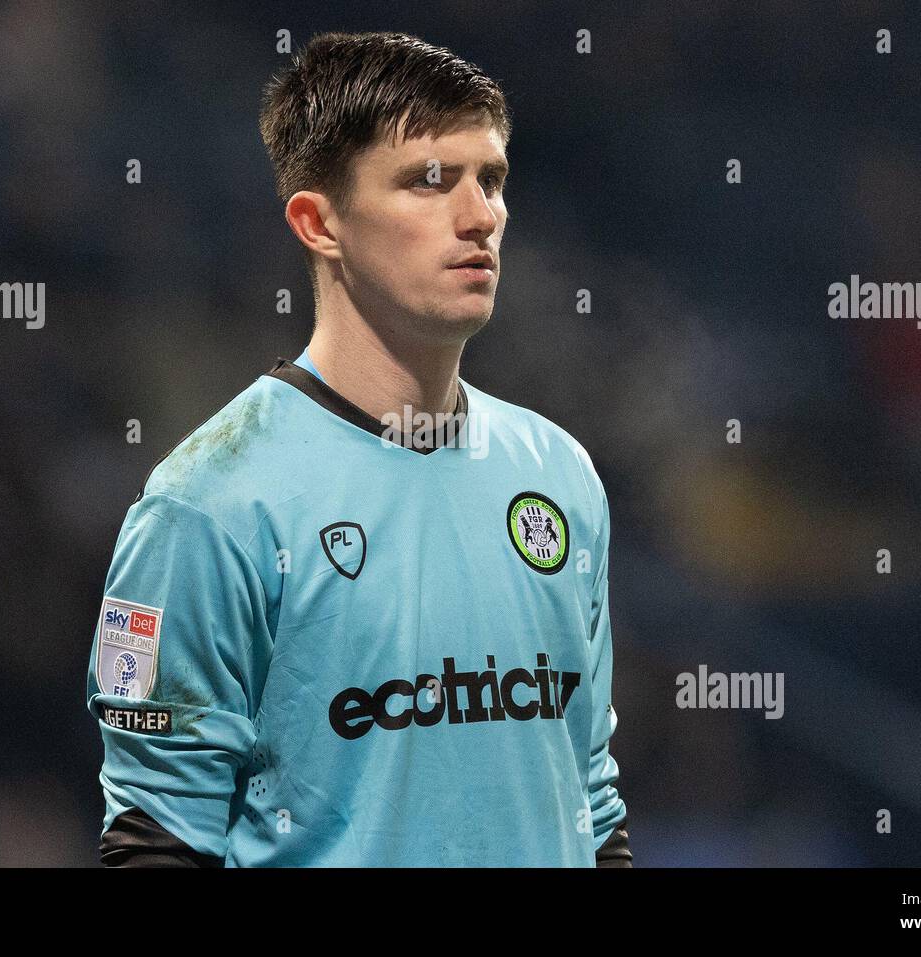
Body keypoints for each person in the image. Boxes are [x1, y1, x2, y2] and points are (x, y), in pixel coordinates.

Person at [87, 30, 631, 867]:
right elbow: (160, 840)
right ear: (319, 222)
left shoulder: (558, 472)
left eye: (491, 178)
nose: (481, 213)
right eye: (429, 180)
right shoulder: (209, 502)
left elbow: (591, 804)